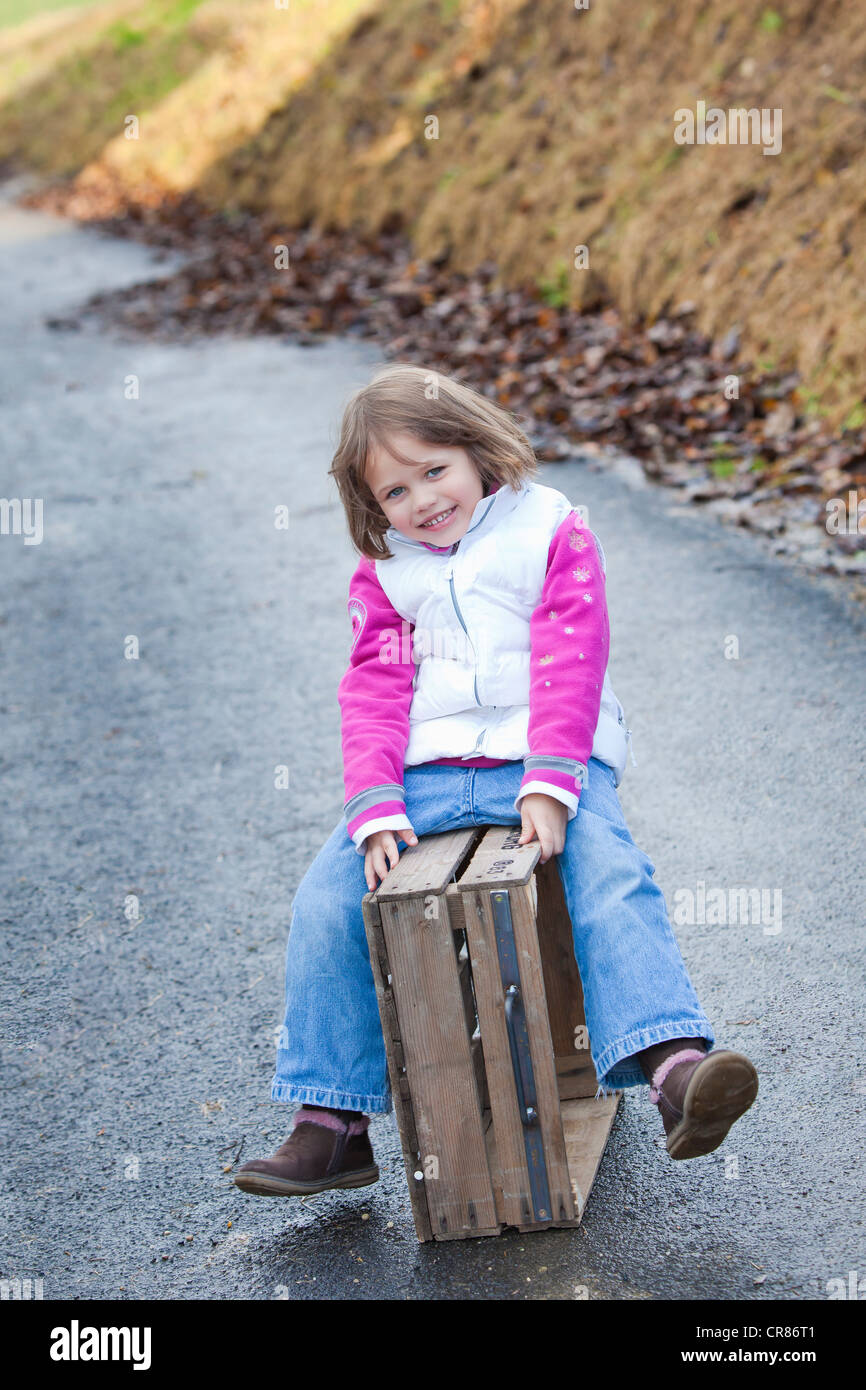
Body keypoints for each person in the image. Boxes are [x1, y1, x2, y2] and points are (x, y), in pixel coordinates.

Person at [234, 363, 758, 1199]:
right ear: (373, 509)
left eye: (434, 471)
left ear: (477, 452)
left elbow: (571, 659)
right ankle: (330, 1124)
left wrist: (552, 783)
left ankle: (674, 1069)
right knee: (326, 900)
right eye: (395, 492)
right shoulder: (387, 571)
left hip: (539, 757)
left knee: (609, 874)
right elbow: (372, 689)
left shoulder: (549, 530)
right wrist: (374, 809)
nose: (422, 502)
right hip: (430, 771)